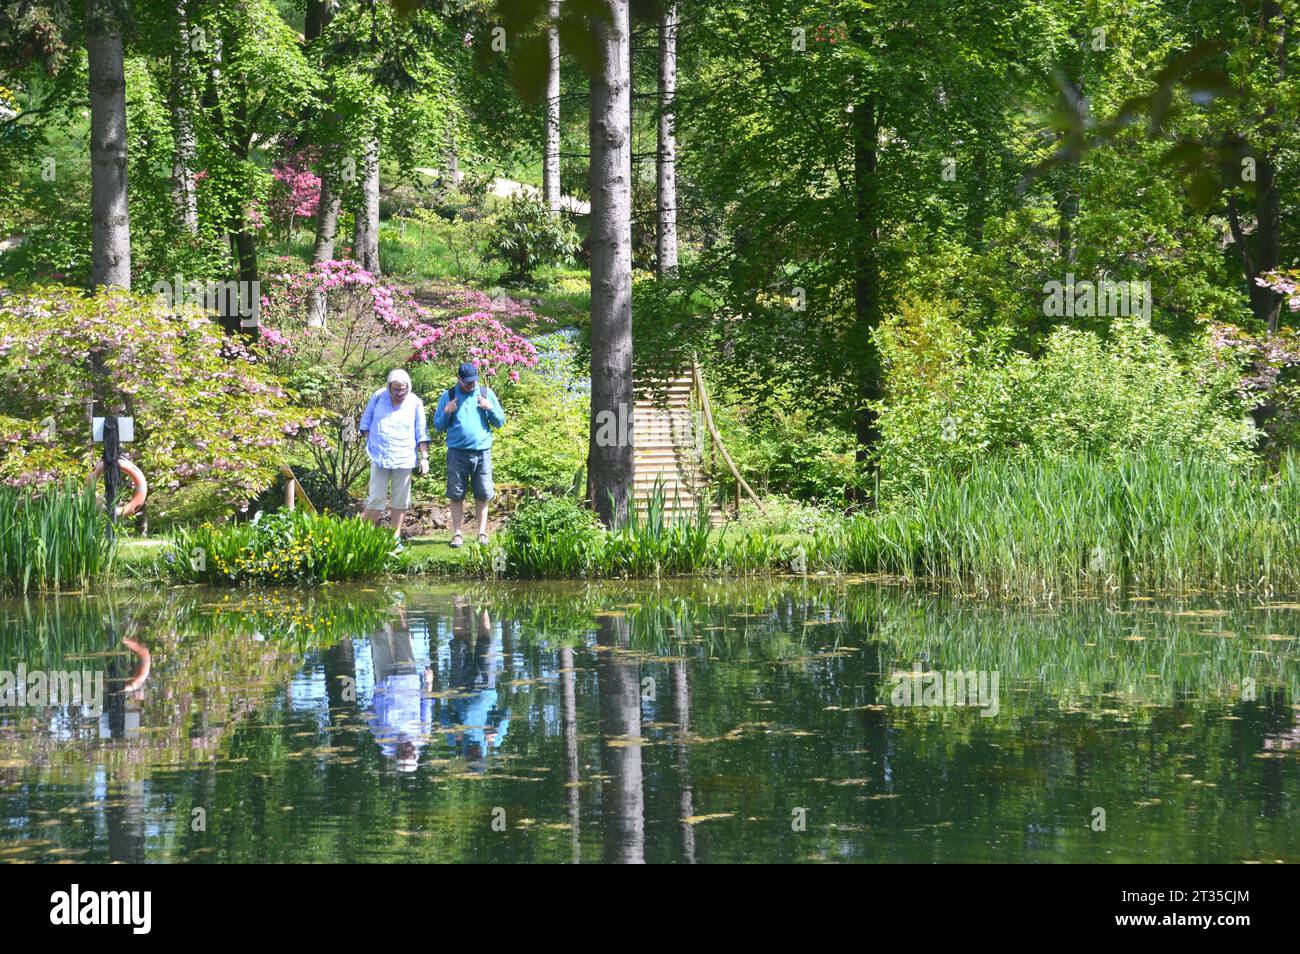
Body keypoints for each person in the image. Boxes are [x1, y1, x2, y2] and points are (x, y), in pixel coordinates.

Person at [433, 361, 505, 547]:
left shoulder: (485, 394)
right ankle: (457, 534)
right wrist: (447, 412)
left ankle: (482, 533)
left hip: (482, 452)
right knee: (456, 494)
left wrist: (491, 408)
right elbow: (439, 426)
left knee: (483, 493)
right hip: (457, 453)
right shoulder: (448, 396)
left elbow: (499, 422)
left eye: (473, 381)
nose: (471, 385)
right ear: (459, 379)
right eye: (467, 382)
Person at [359, 368, 429, 550]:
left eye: (403, 389)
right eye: (396, 389)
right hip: (379, 456)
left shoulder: (415, 402)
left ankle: (395, 537)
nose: (399, 393)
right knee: (376, 498)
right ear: (389, 387)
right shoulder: (378, 397)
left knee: (401, 499)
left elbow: (421, 431)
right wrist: (370, 440)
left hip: (404, 457)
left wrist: (424, 458)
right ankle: (360, 534)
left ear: (408, 387)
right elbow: (365, 422)